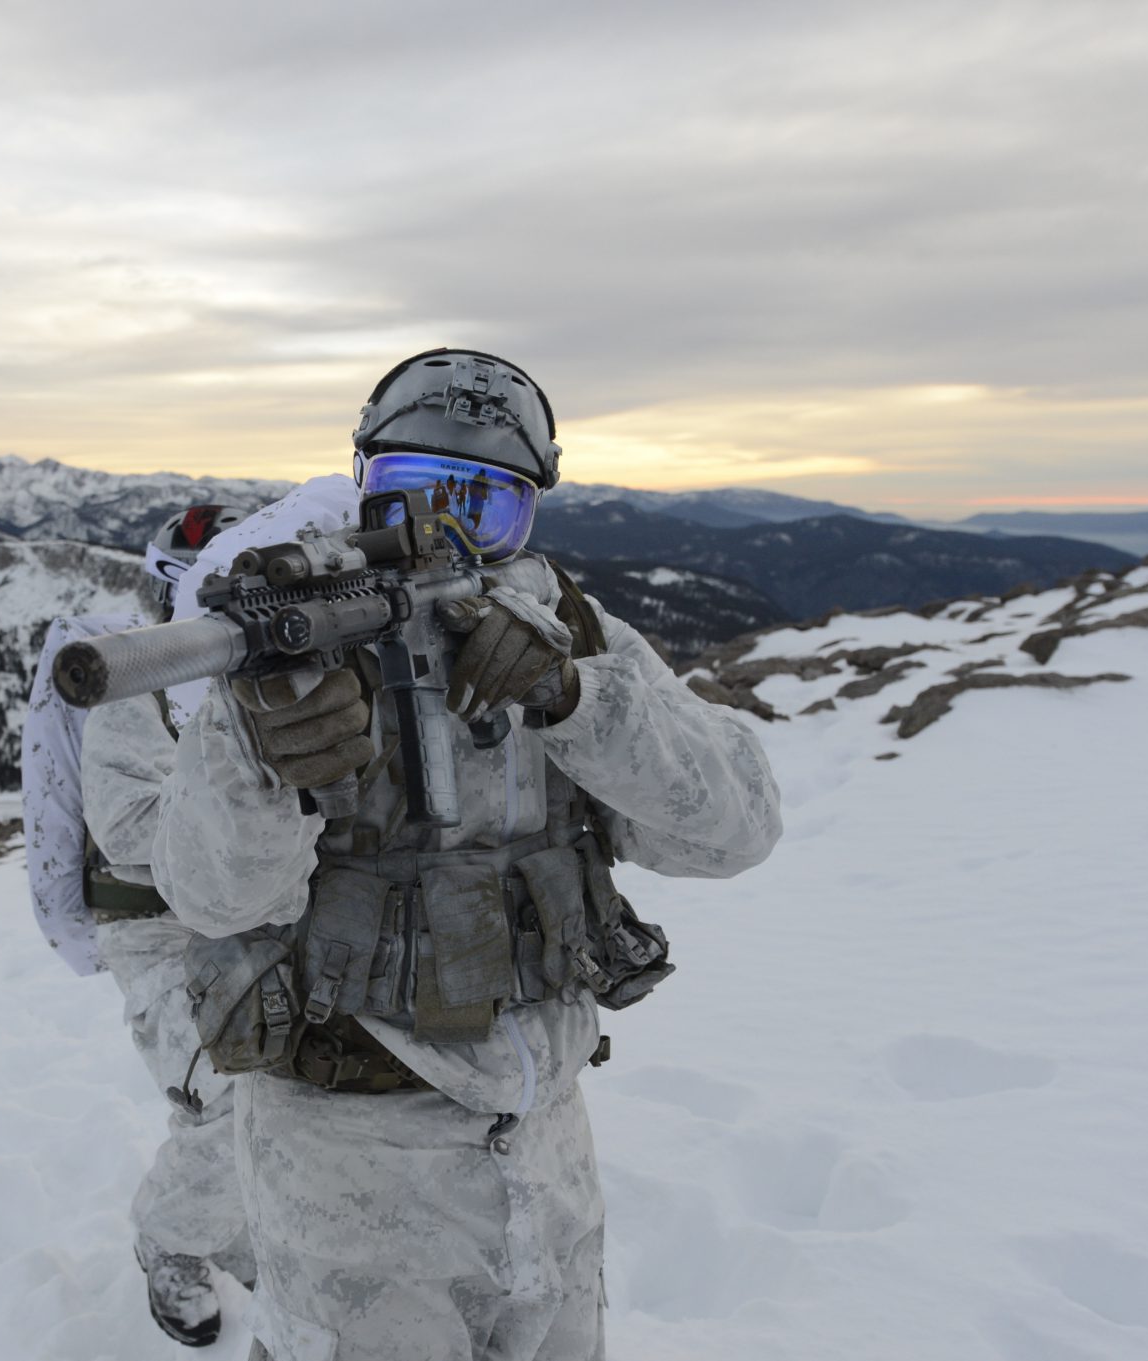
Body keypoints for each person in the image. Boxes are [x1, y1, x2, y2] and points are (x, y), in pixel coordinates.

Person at [140, 349, 785, 1360]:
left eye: (485, 506)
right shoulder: (296, 652)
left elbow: (733, 826)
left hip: (545, 1139)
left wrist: (574, 699)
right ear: (362, 485)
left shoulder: (569, 628)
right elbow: (215, 897)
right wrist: (269, 766)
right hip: (348, 1166)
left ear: (530, 513)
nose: (443, 533)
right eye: (410, 495)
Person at [22, 503, 255, 1347]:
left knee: (306, 1081)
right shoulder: (131, 689)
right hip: (155, 929)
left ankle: (236, 1216)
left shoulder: (269, 674)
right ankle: (173, 1238)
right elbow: (117, 828)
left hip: (256, 920)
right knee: (233, 1094)